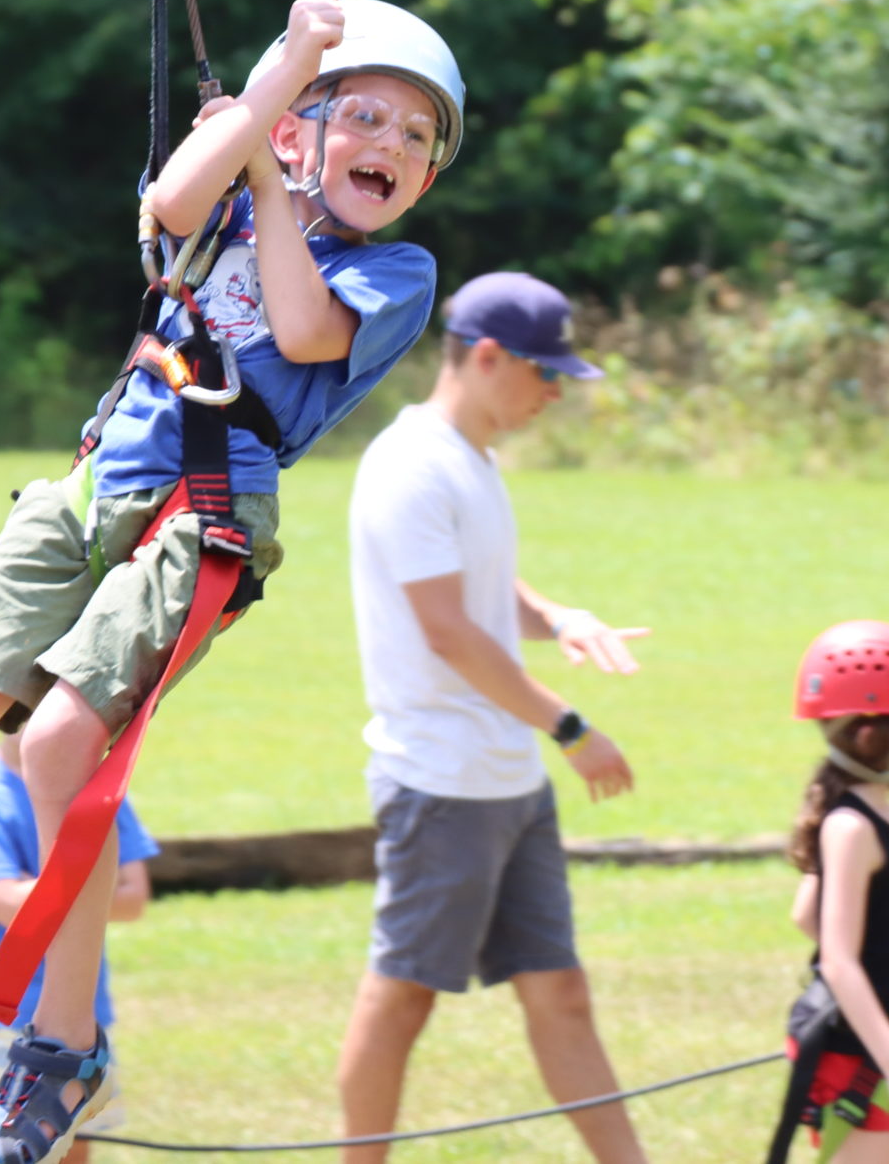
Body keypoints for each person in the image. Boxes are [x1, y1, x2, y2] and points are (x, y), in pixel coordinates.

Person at [0, 0, 463, 1164]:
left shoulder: (397, 272)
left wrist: (269, 181)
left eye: (417, 138)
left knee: (62, 745)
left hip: (206, 513)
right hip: (94, 480)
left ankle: (62, 1055)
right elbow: (173, 202)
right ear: (294, 129)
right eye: (363, 116)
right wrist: (279, 81)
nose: (392, 146)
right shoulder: (230, 187)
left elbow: (303, 331)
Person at [336, 272, 652, 1164]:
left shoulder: (471, 458)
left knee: (561, 994)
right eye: (545, 372)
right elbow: (448, 632)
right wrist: (571, 728)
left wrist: (560, 618)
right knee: (402, 996)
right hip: (440, 781)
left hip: (507, 777)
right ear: (485, 357)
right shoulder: (410, 465)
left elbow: (479, 587)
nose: (554, 393)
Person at [770, 621, 889, 1164]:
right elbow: (838, 961)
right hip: (850, 1056)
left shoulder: (878, 807)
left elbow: (808, 914)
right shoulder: (850, 827)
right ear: (874, 734)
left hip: (869, 1043)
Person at [0, 730, 159, 1162]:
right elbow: (2, 900)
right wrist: (92, 889)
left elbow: (133, 900)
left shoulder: (102, 786)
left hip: (81, 1011)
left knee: (72, 1135)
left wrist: (26, 894)